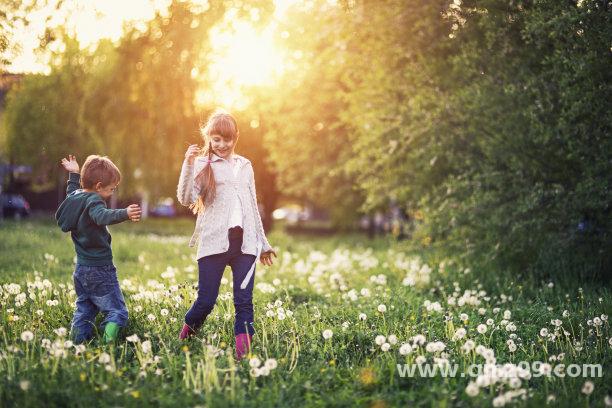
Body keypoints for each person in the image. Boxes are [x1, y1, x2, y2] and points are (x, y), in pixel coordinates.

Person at [176, 110, 276, 360]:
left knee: (244, 301)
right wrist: (187, 165)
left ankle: (244, 357)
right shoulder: (201, 163)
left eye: (227, 139)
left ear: (236, 137)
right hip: (214, 242)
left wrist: (263, 243)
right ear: (208, 137)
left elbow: (253, 206)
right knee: (206, 300)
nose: (222, 145)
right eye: (216, 139)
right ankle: (184, 339)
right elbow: (186, 198)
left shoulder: (245, 166)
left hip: (246, 244)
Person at [55, 154, 141, 343]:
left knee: (85, 309)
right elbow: (102, 216)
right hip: (100, 269)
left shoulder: (76, 197)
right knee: (118, 312)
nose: (112, 192)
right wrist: (124, 213)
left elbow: (71, 191)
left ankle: (76, 343)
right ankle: (107, 344)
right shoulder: (93, 200)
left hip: (81, 269)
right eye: (111, 189)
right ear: (99, 186)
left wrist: (74, 174)